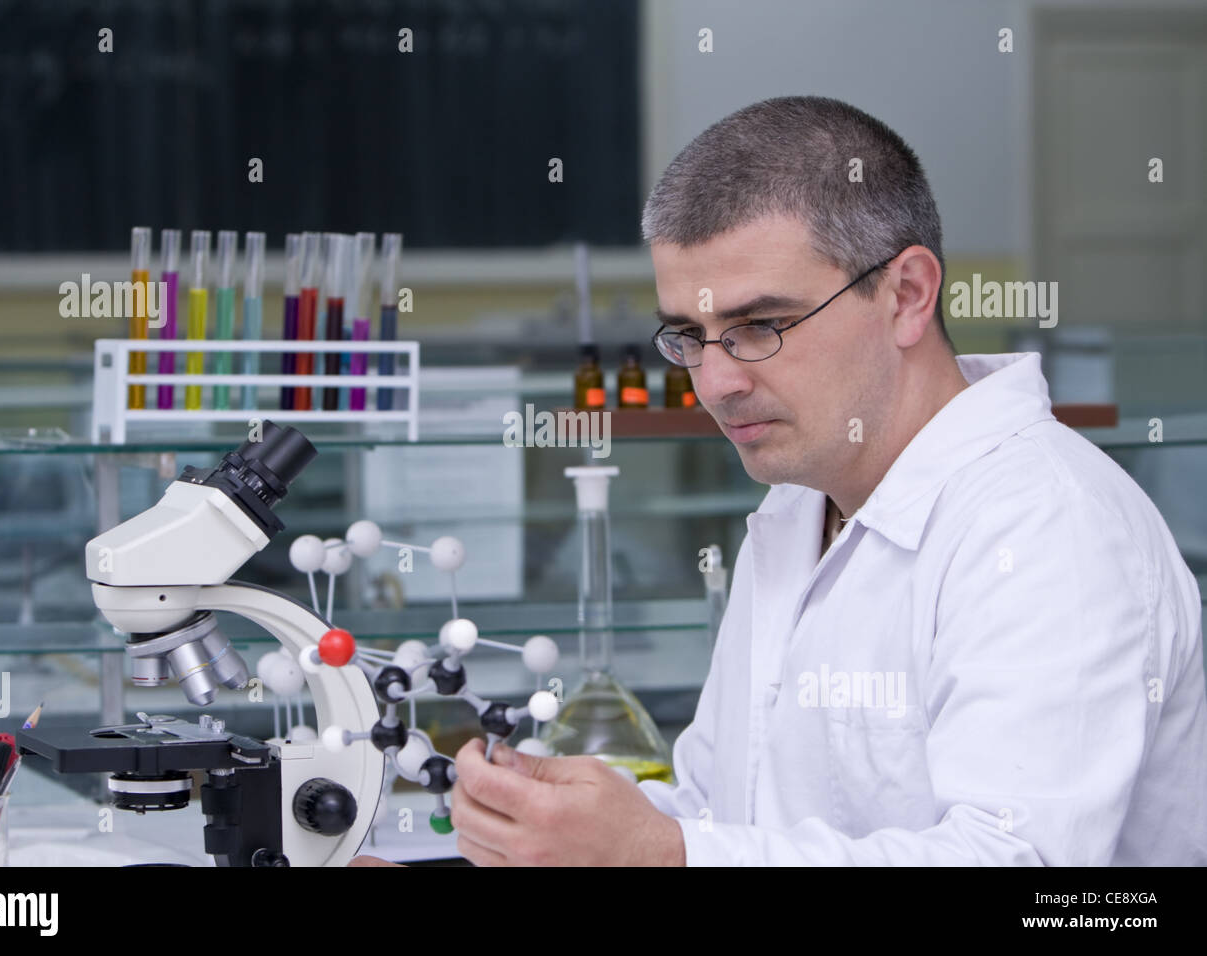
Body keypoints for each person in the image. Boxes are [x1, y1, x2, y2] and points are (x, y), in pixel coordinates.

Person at [355, 95, 1207, 867]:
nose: (715, 383)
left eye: (760, 325)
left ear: (906, 294)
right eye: (689, 334)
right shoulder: (803, 501)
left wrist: (660, 856)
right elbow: (720, 810)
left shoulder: (1046, 530)